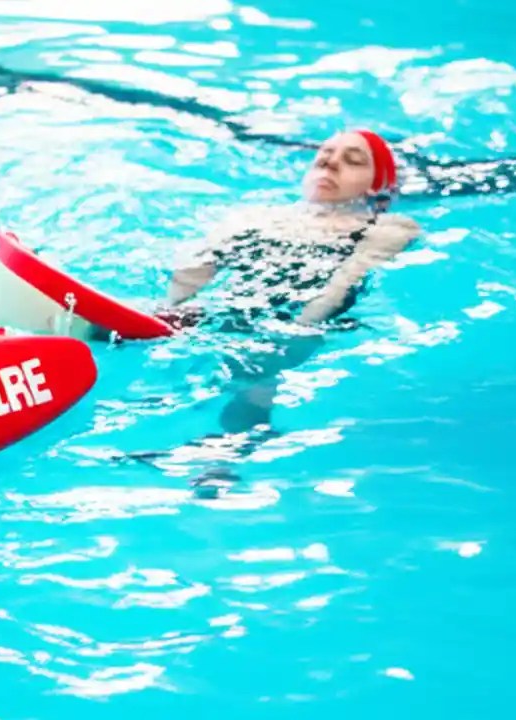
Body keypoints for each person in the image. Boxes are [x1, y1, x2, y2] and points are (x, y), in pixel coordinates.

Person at [131, 130, 423, 484]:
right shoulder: (260, 216)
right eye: (325, 153)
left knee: (256, 371)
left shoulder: (385, 228)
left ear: (376, 187)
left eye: (353, 160)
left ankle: (224, 458)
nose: (330, 161)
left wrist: (295, 332)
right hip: (236, 307)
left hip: (306, 319)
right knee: (161, 350)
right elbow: (199, 266)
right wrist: (168, 308)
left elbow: (341, 286)